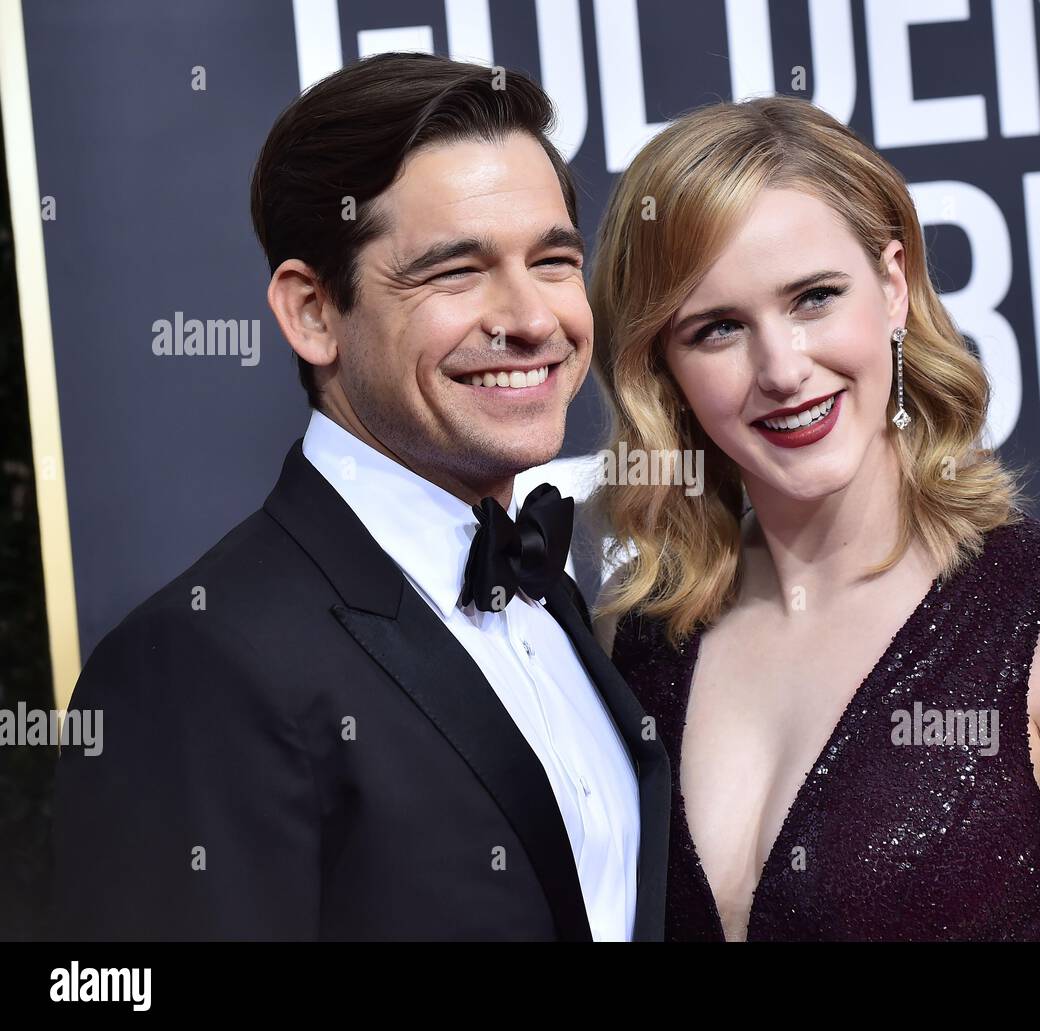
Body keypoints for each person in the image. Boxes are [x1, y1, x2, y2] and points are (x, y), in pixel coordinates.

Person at [44, 53, 668, 942]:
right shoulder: (196, 664)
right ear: (311, 313)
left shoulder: (563, 593)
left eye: (554, 260)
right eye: (455, 272)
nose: (532, 317)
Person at [588, 96, 1040, 942]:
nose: (783, 369)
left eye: (814, 297)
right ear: (663, 367)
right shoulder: (638, 639)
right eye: (718, 329)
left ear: (892, 286)